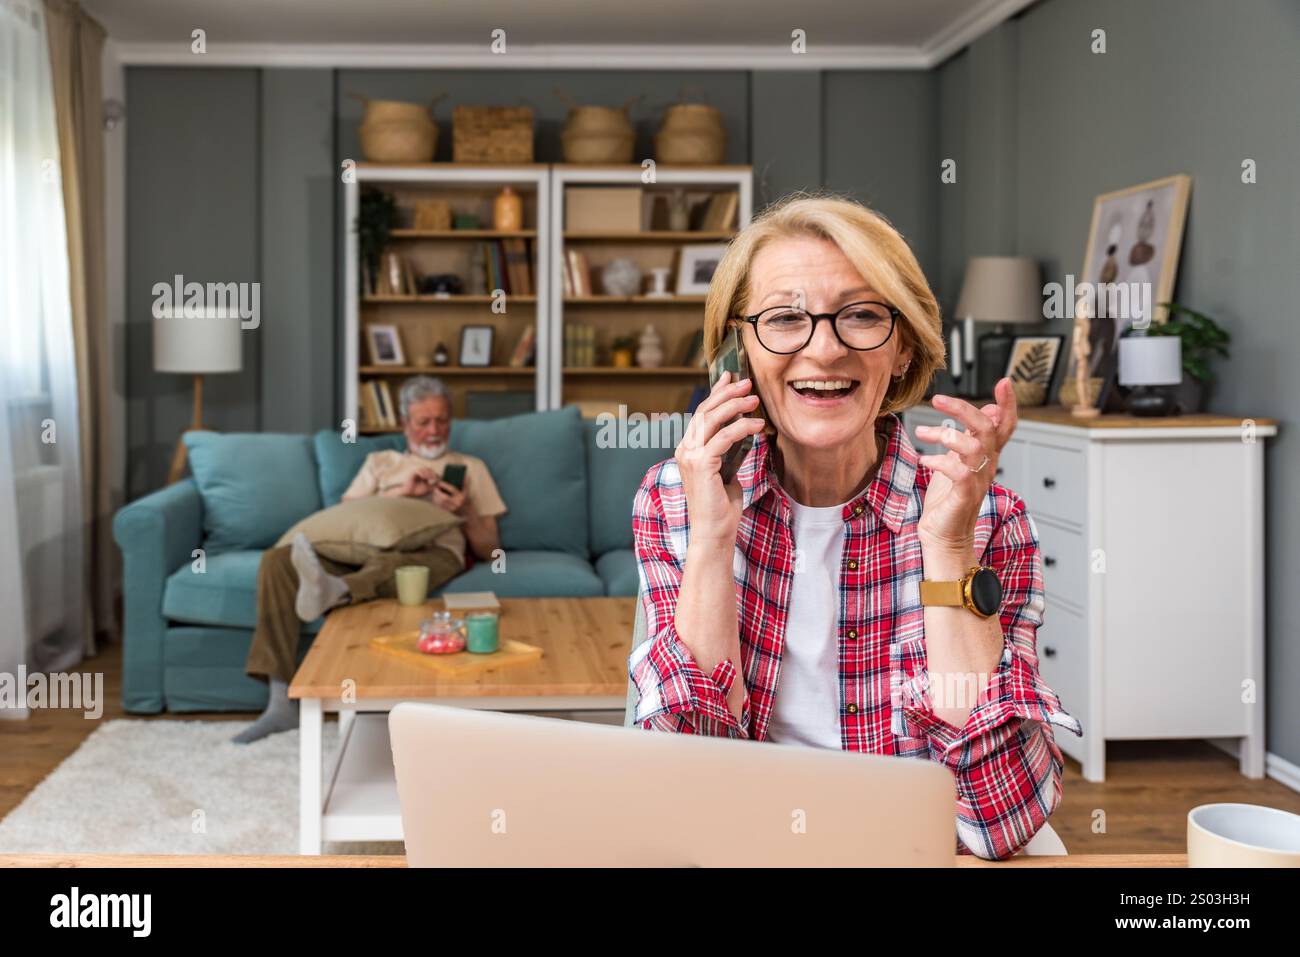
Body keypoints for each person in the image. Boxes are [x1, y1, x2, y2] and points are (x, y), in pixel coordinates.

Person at [627, 195, 1081, 860]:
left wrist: (948, 549)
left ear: (903, 348)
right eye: (784, 318)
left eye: (862, 315)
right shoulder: (675, 497)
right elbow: (687, 787)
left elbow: (996, 818)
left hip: (914, 848)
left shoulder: (987, 515)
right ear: (740, 350)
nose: (825, 348)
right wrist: (711, 541)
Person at [233, 375, 507, 743]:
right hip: (360, 552)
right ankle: (280, 704)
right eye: (423, 422)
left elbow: (491, 548)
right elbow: (344, 520)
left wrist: (466, 510)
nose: (433, 430)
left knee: (398, 567)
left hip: (436, 553)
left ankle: (337, 590)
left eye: (441, 420)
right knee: (277, 561)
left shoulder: (470, 468)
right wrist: (402, 495)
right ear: (404, 424)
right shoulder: (381, 463)